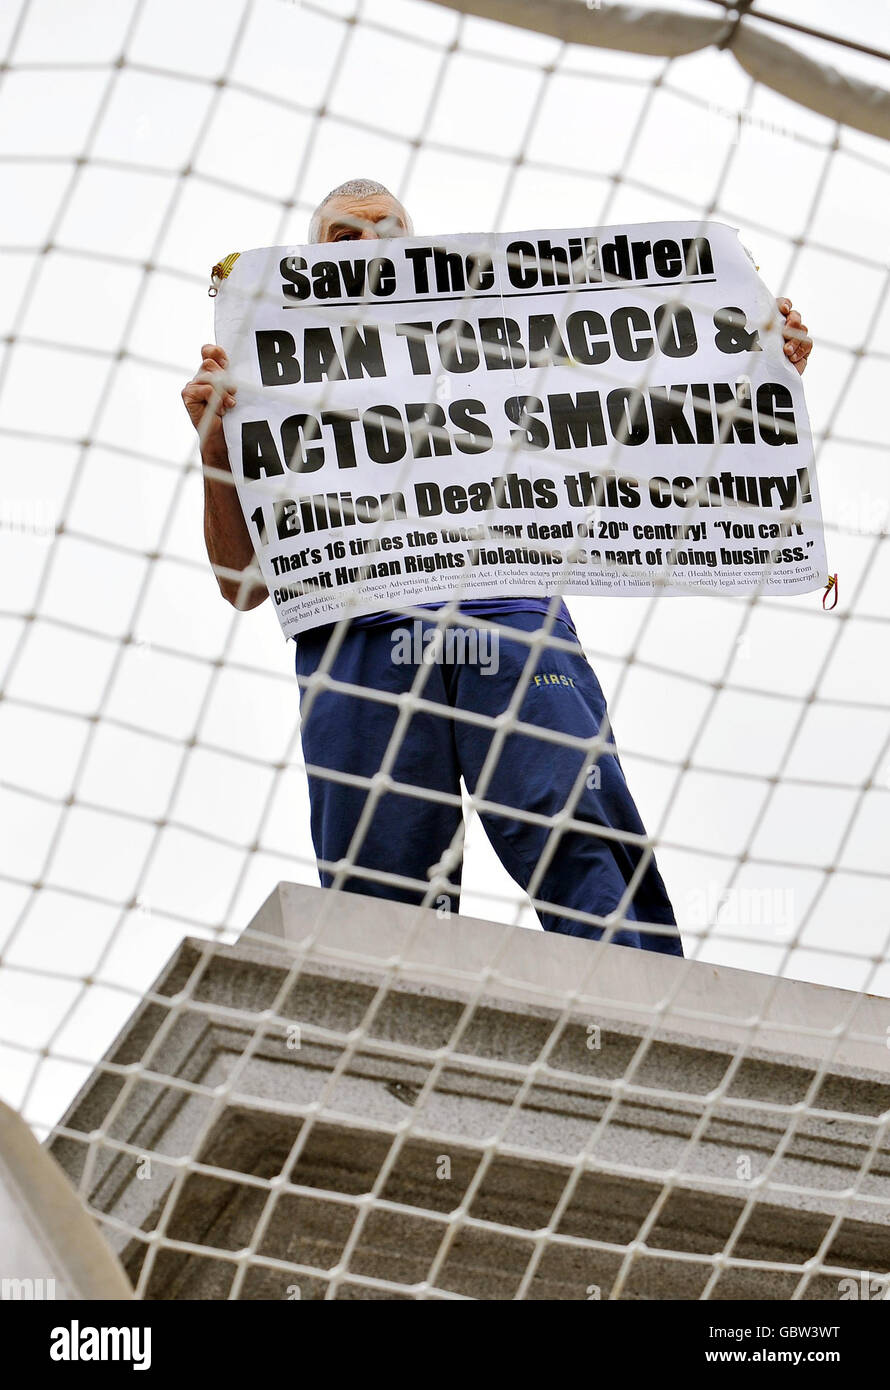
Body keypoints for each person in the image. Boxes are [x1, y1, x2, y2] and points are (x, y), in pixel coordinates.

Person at [182, 178, 812, 955]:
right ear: (306, 262)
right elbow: (240, 584)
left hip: (503, 605)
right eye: (345, 236)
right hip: (354, 630)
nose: (371, 244)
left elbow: (636, 403)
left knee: (569, 822)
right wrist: (216, 444)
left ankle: (638, 1013)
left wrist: (749, 363)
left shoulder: (494, 332)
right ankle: (387, 1054)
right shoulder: (265, 376)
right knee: (376, 880)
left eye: (389, 229)